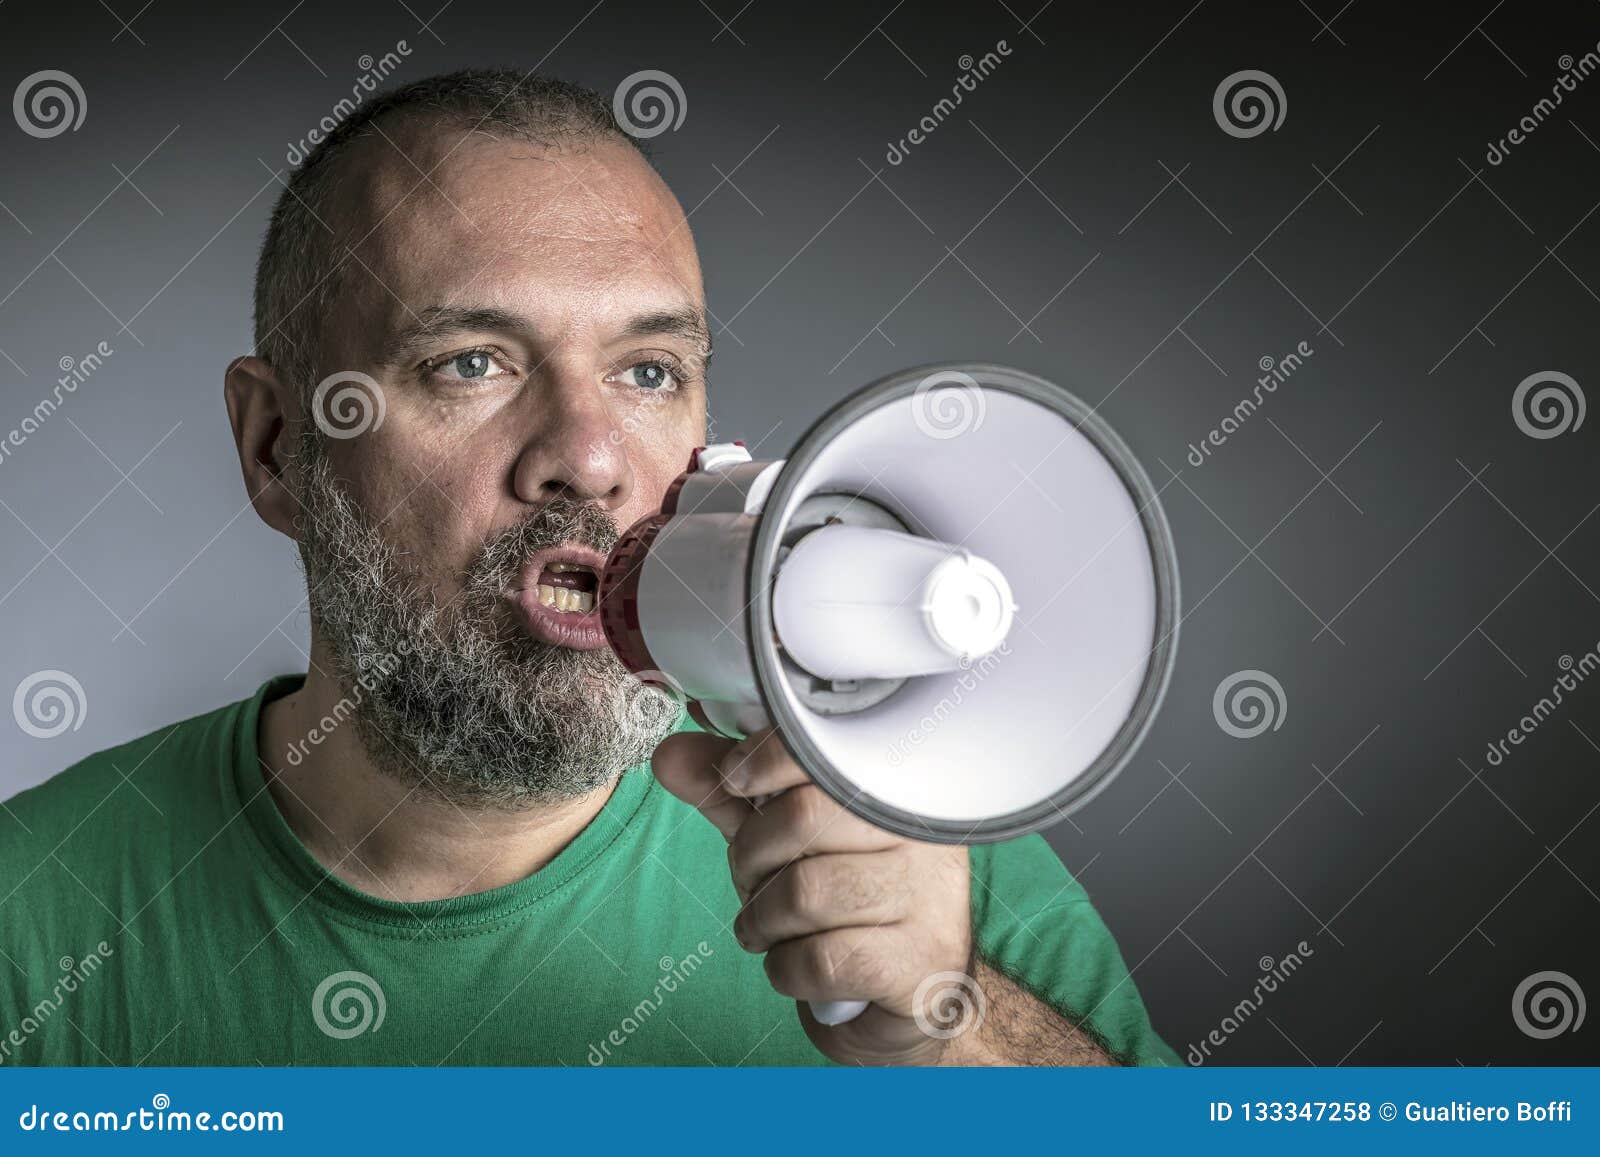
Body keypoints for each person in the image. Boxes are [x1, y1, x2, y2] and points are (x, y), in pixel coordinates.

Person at [0, 69, 1177, 1067]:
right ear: (277, 449)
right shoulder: (37, 919)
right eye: (471, 362)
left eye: (651, 370)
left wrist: (960, 1029)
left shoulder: (914, 831)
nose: (590, 457)